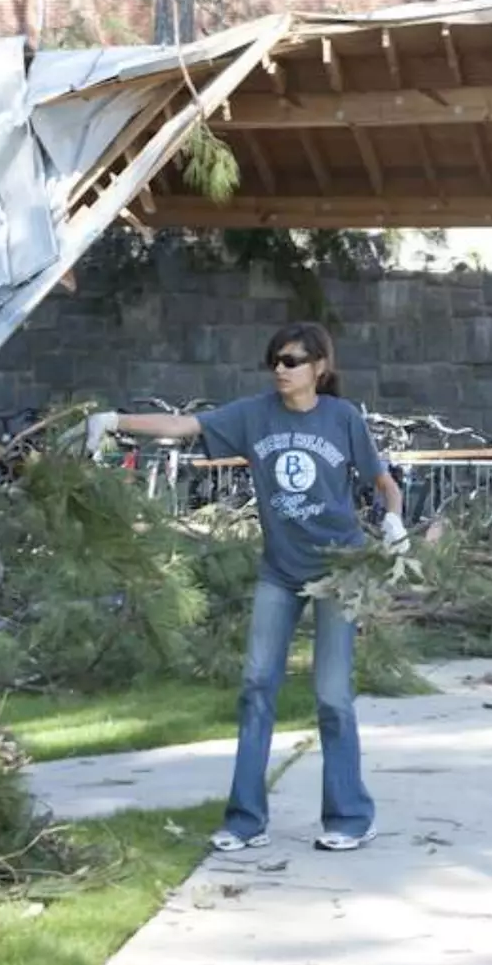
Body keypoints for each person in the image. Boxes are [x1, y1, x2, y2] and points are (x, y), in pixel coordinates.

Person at [86, 322, 407, 853]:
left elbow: (384, 483)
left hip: (340, 571)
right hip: (280, 571)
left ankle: (350, 816)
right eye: (275, 360)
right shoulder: (254, 414)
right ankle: (245, 820)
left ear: (320, 368)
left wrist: (393, 521)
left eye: (293, 360)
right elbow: (185, 425)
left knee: (332, 697)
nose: (281, 369)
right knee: (257, 688)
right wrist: (115, 420)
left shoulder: (343, 418)